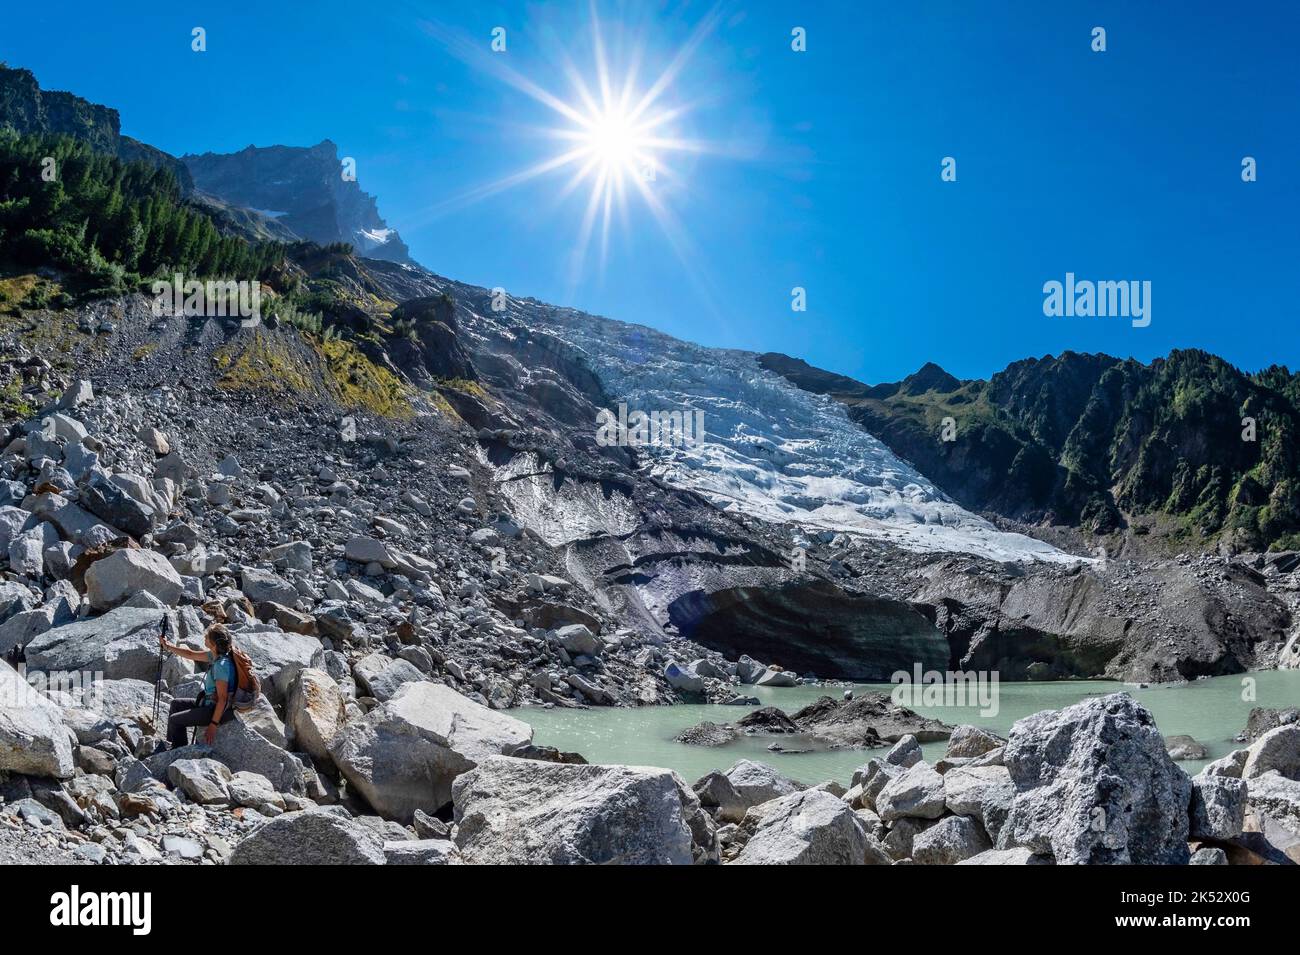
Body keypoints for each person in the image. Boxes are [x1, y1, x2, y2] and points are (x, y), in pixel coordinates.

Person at [160, 624, 238, 748]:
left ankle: (178, 751)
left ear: (213, 644)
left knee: (175, 720)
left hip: (212, 710)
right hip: (208, 703)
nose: (204, 637)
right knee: (176, 704)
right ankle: (172, 743)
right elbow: (191, 654)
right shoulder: (215, 655)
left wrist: (213, 724)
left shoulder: (221, 666)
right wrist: (168, 646)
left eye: (207, 637)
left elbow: (222, 699)